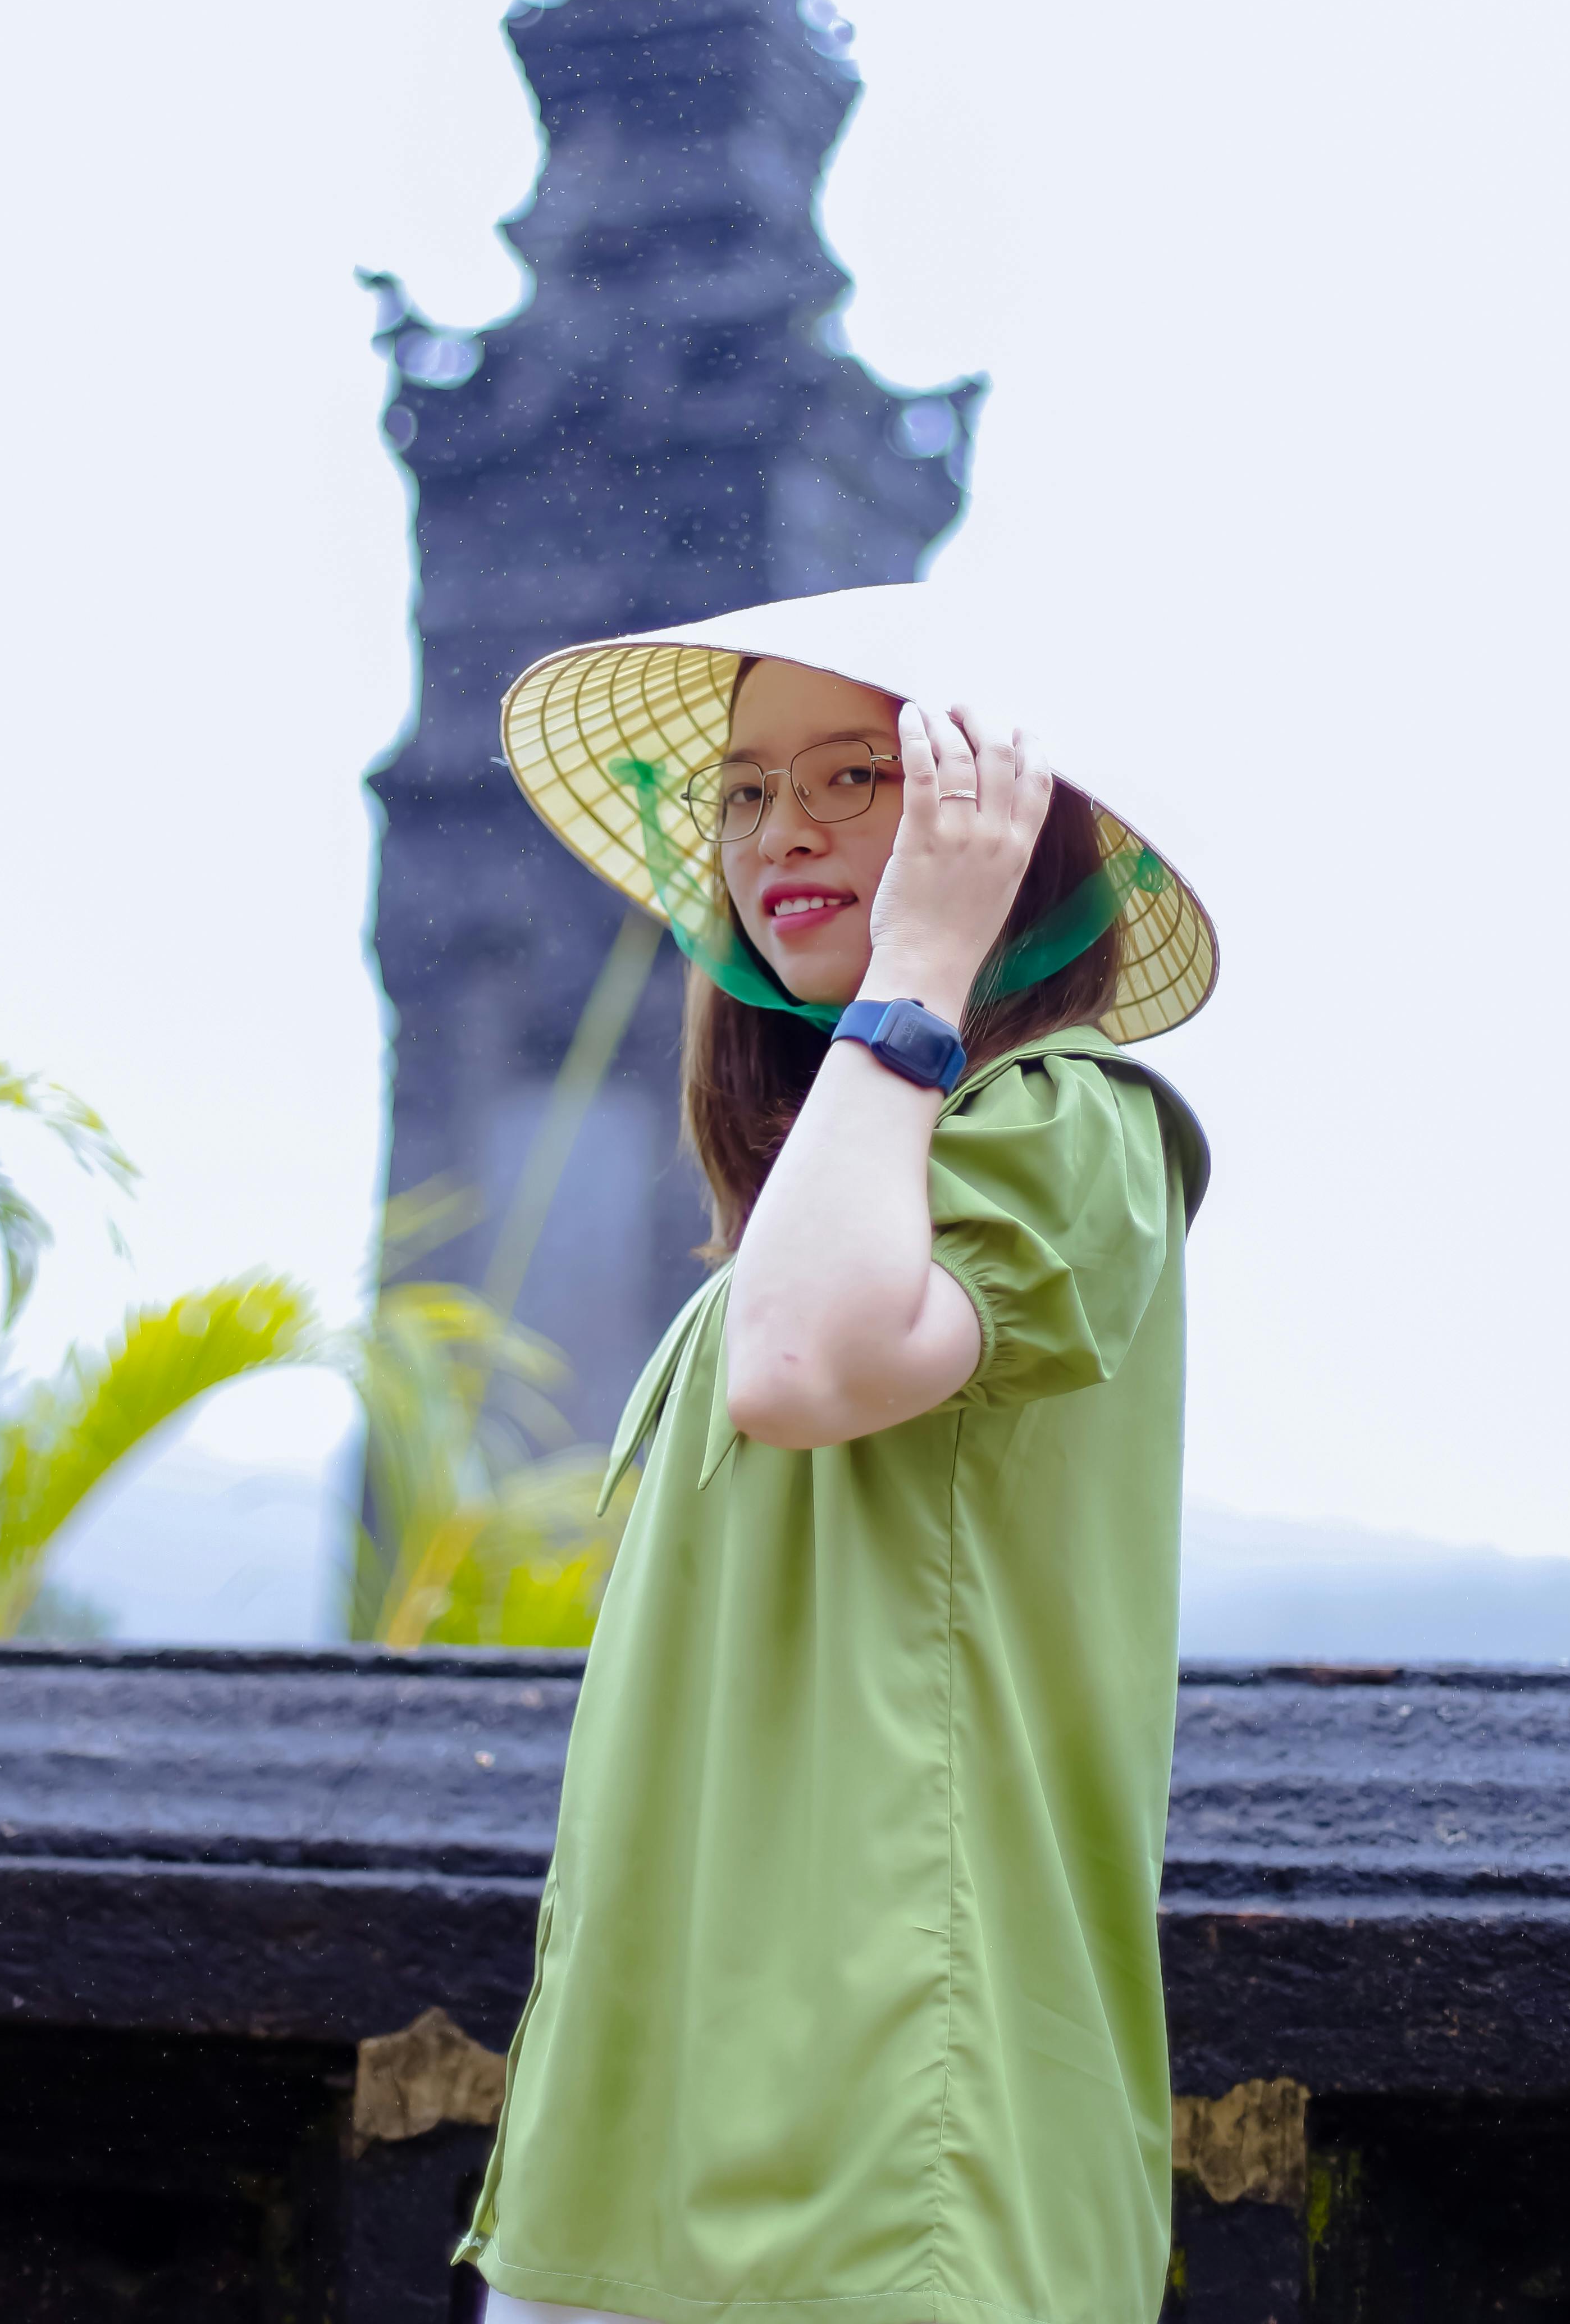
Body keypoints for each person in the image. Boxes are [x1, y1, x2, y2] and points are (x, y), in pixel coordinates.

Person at [455, 581, 1217, 2324]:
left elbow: (808, 1368)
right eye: (740, 791)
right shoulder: (850, 1177)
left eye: (857, 777)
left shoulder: (1068, 1124)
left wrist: (924, 966)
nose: (777, 832)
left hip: (891, 2162)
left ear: (1001, 826)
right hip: (652, 2156)